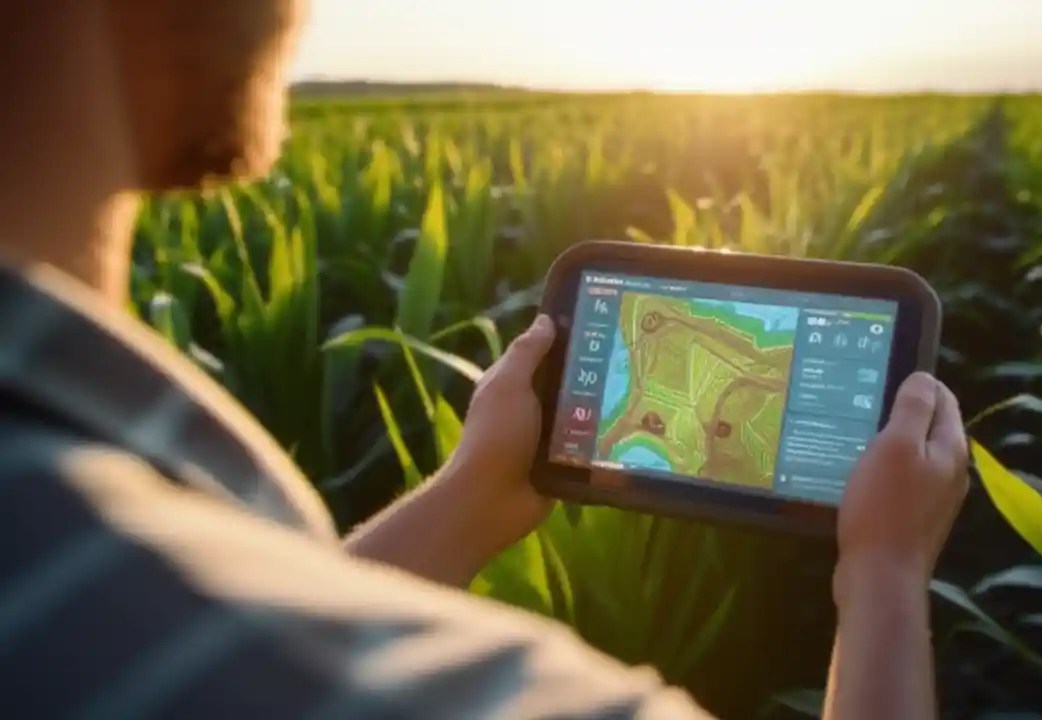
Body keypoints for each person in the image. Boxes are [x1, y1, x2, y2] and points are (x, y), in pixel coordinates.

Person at [0, 2, 970, 718]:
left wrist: (474, 494)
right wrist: (882, 571)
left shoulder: (83, 578)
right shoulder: (487, 699)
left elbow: (245, 639)